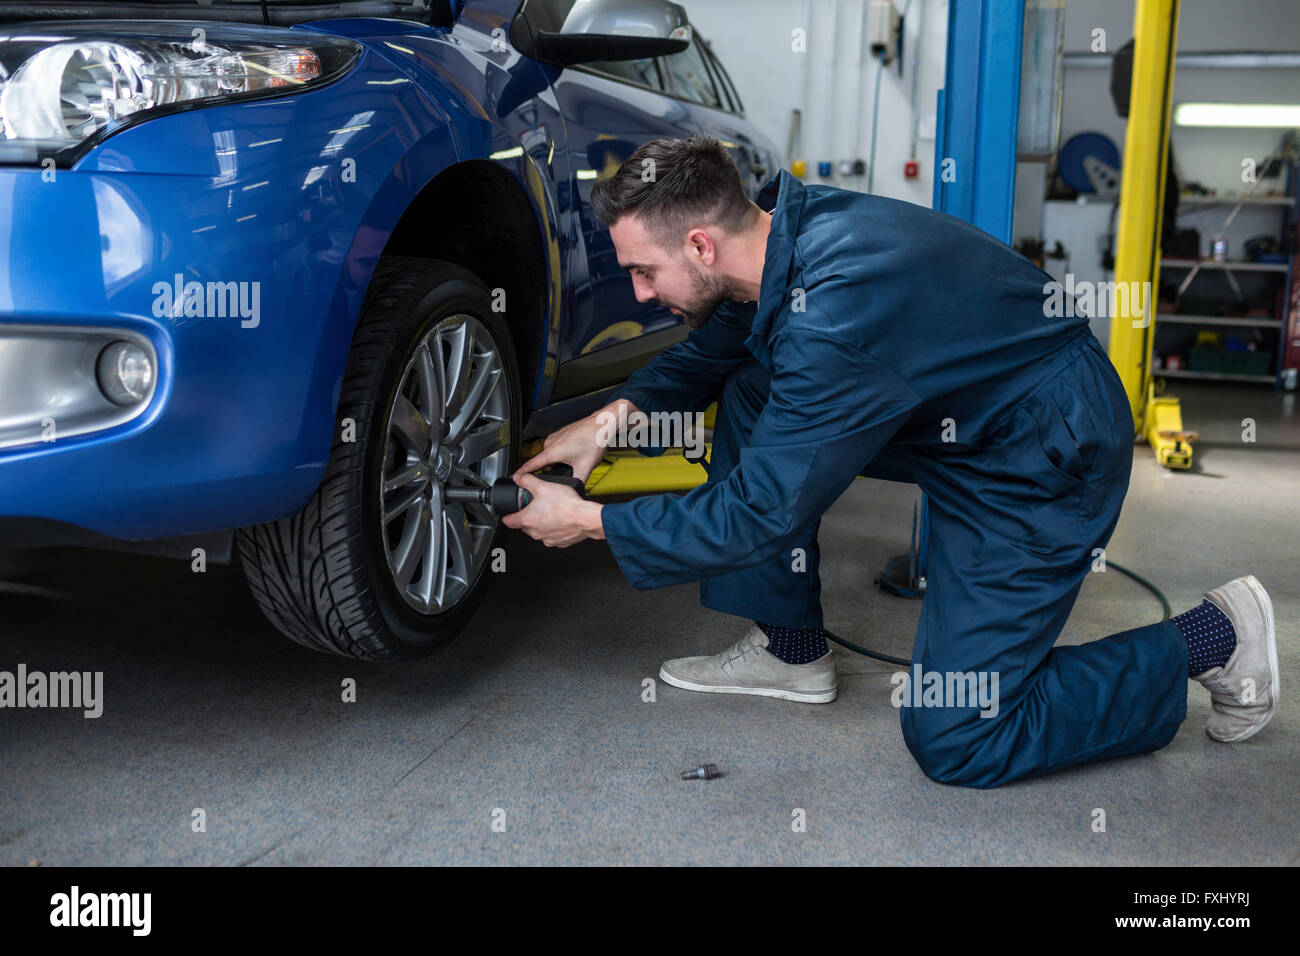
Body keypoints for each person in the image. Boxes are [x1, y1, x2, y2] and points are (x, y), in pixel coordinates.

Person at [501, 135, 1279, 788]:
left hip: (1041, 456)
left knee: (960, 734)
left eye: (645, 272)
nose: (639, 294)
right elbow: (715, 351)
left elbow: (757, 514)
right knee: (748, 387)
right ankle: (790, 650)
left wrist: (590, 521)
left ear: (701, 244)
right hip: (965, 419)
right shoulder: (786, 235)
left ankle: (1214, 638)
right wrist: (608, 422)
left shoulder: (834, 318)